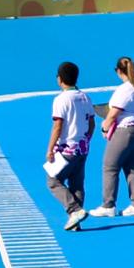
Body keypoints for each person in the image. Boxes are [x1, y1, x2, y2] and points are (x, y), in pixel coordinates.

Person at [88, 57, 134, 218]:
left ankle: (108, 205)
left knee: (110, 166)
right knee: (132, 166)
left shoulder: (124, 89)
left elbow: (114, 113)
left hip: (125, 130)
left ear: (118, 71)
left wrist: (104, 127)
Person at [45, 61, 96, 231]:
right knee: (77, 184)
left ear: (59, 79)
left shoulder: (61, 100)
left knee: (53, 181)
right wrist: (86, 139)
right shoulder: (85, 97)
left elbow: (57, 126)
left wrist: (50, 149)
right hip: (82, 148)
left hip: (67, 149)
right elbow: (92, 123)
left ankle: (75, 211)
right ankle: (76, 222)